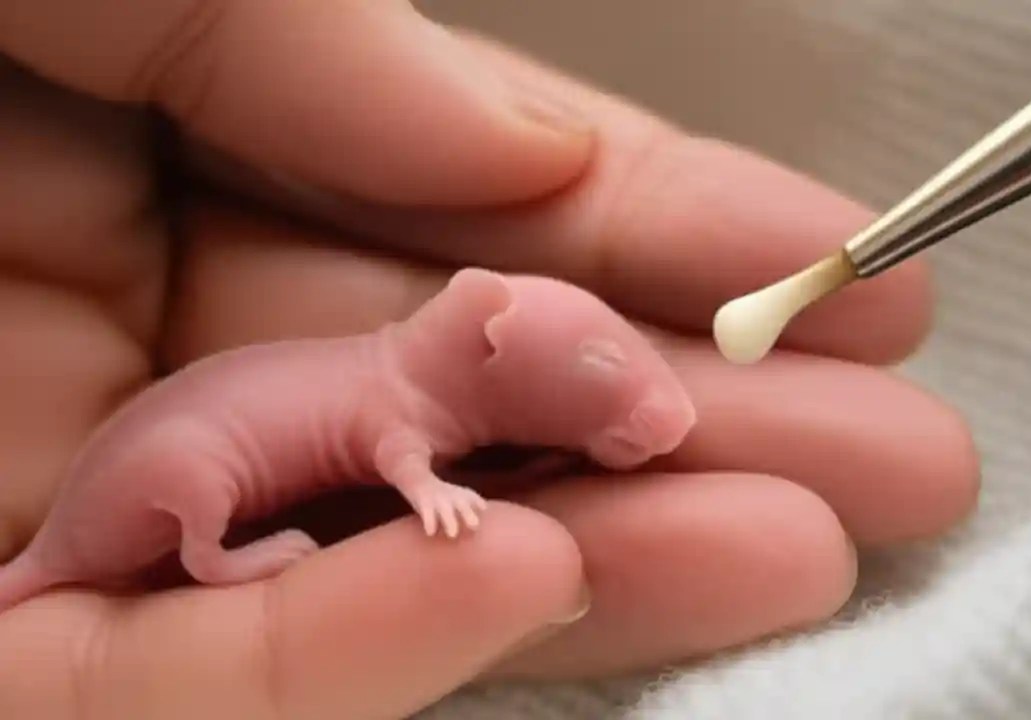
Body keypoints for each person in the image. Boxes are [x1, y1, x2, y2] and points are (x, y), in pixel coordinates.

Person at [0, 2, 980, 718]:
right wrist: (426, 494)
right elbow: (395, 450)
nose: (631, 381)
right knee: (194, 471)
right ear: (492, 349)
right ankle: (211, 555)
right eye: (602, 362)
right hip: (155, 482)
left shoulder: (444, 379)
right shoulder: (399, 403)